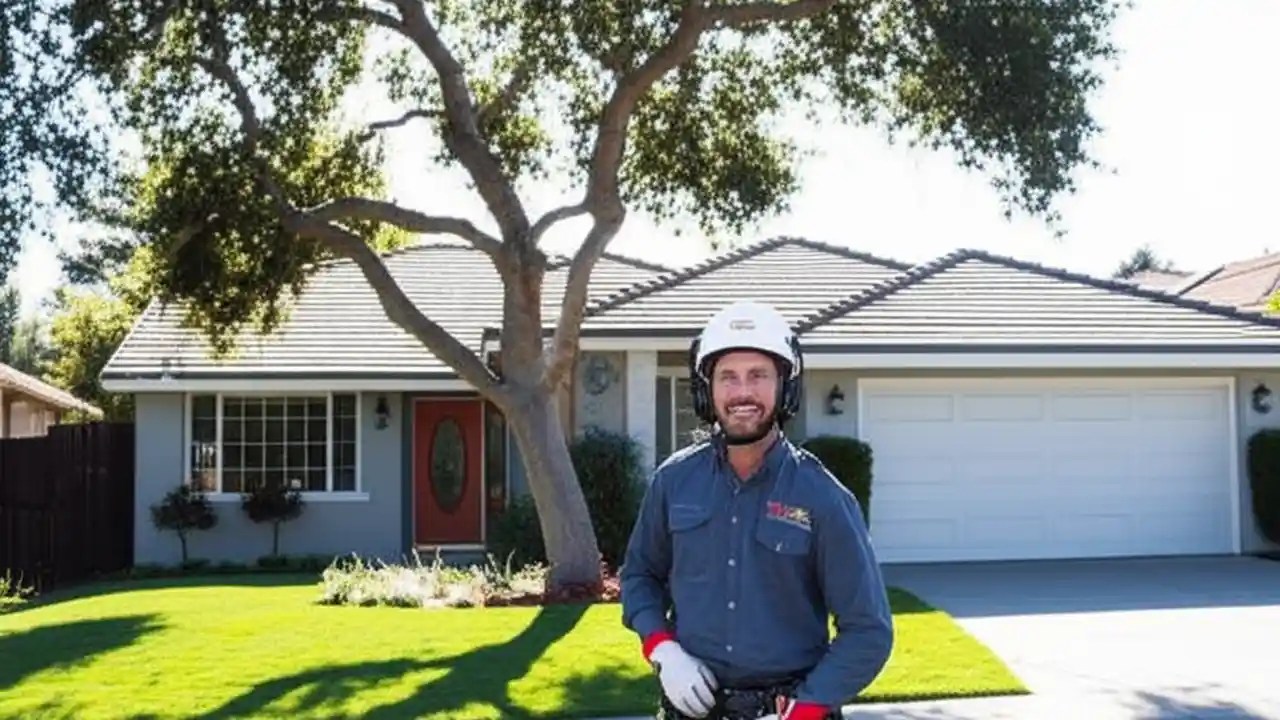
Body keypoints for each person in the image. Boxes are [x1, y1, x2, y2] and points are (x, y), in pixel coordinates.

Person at [619, 300, 894, 720]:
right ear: (706, 390)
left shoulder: (823, 497)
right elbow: (640, 575)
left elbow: (868, 630)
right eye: (727, 377)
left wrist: (804, 711)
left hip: (790, 710)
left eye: (758, 375)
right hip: (692, 709)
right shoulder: (672, 482)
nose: (742, 392)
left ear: (785, 387)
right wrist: (662, 648)